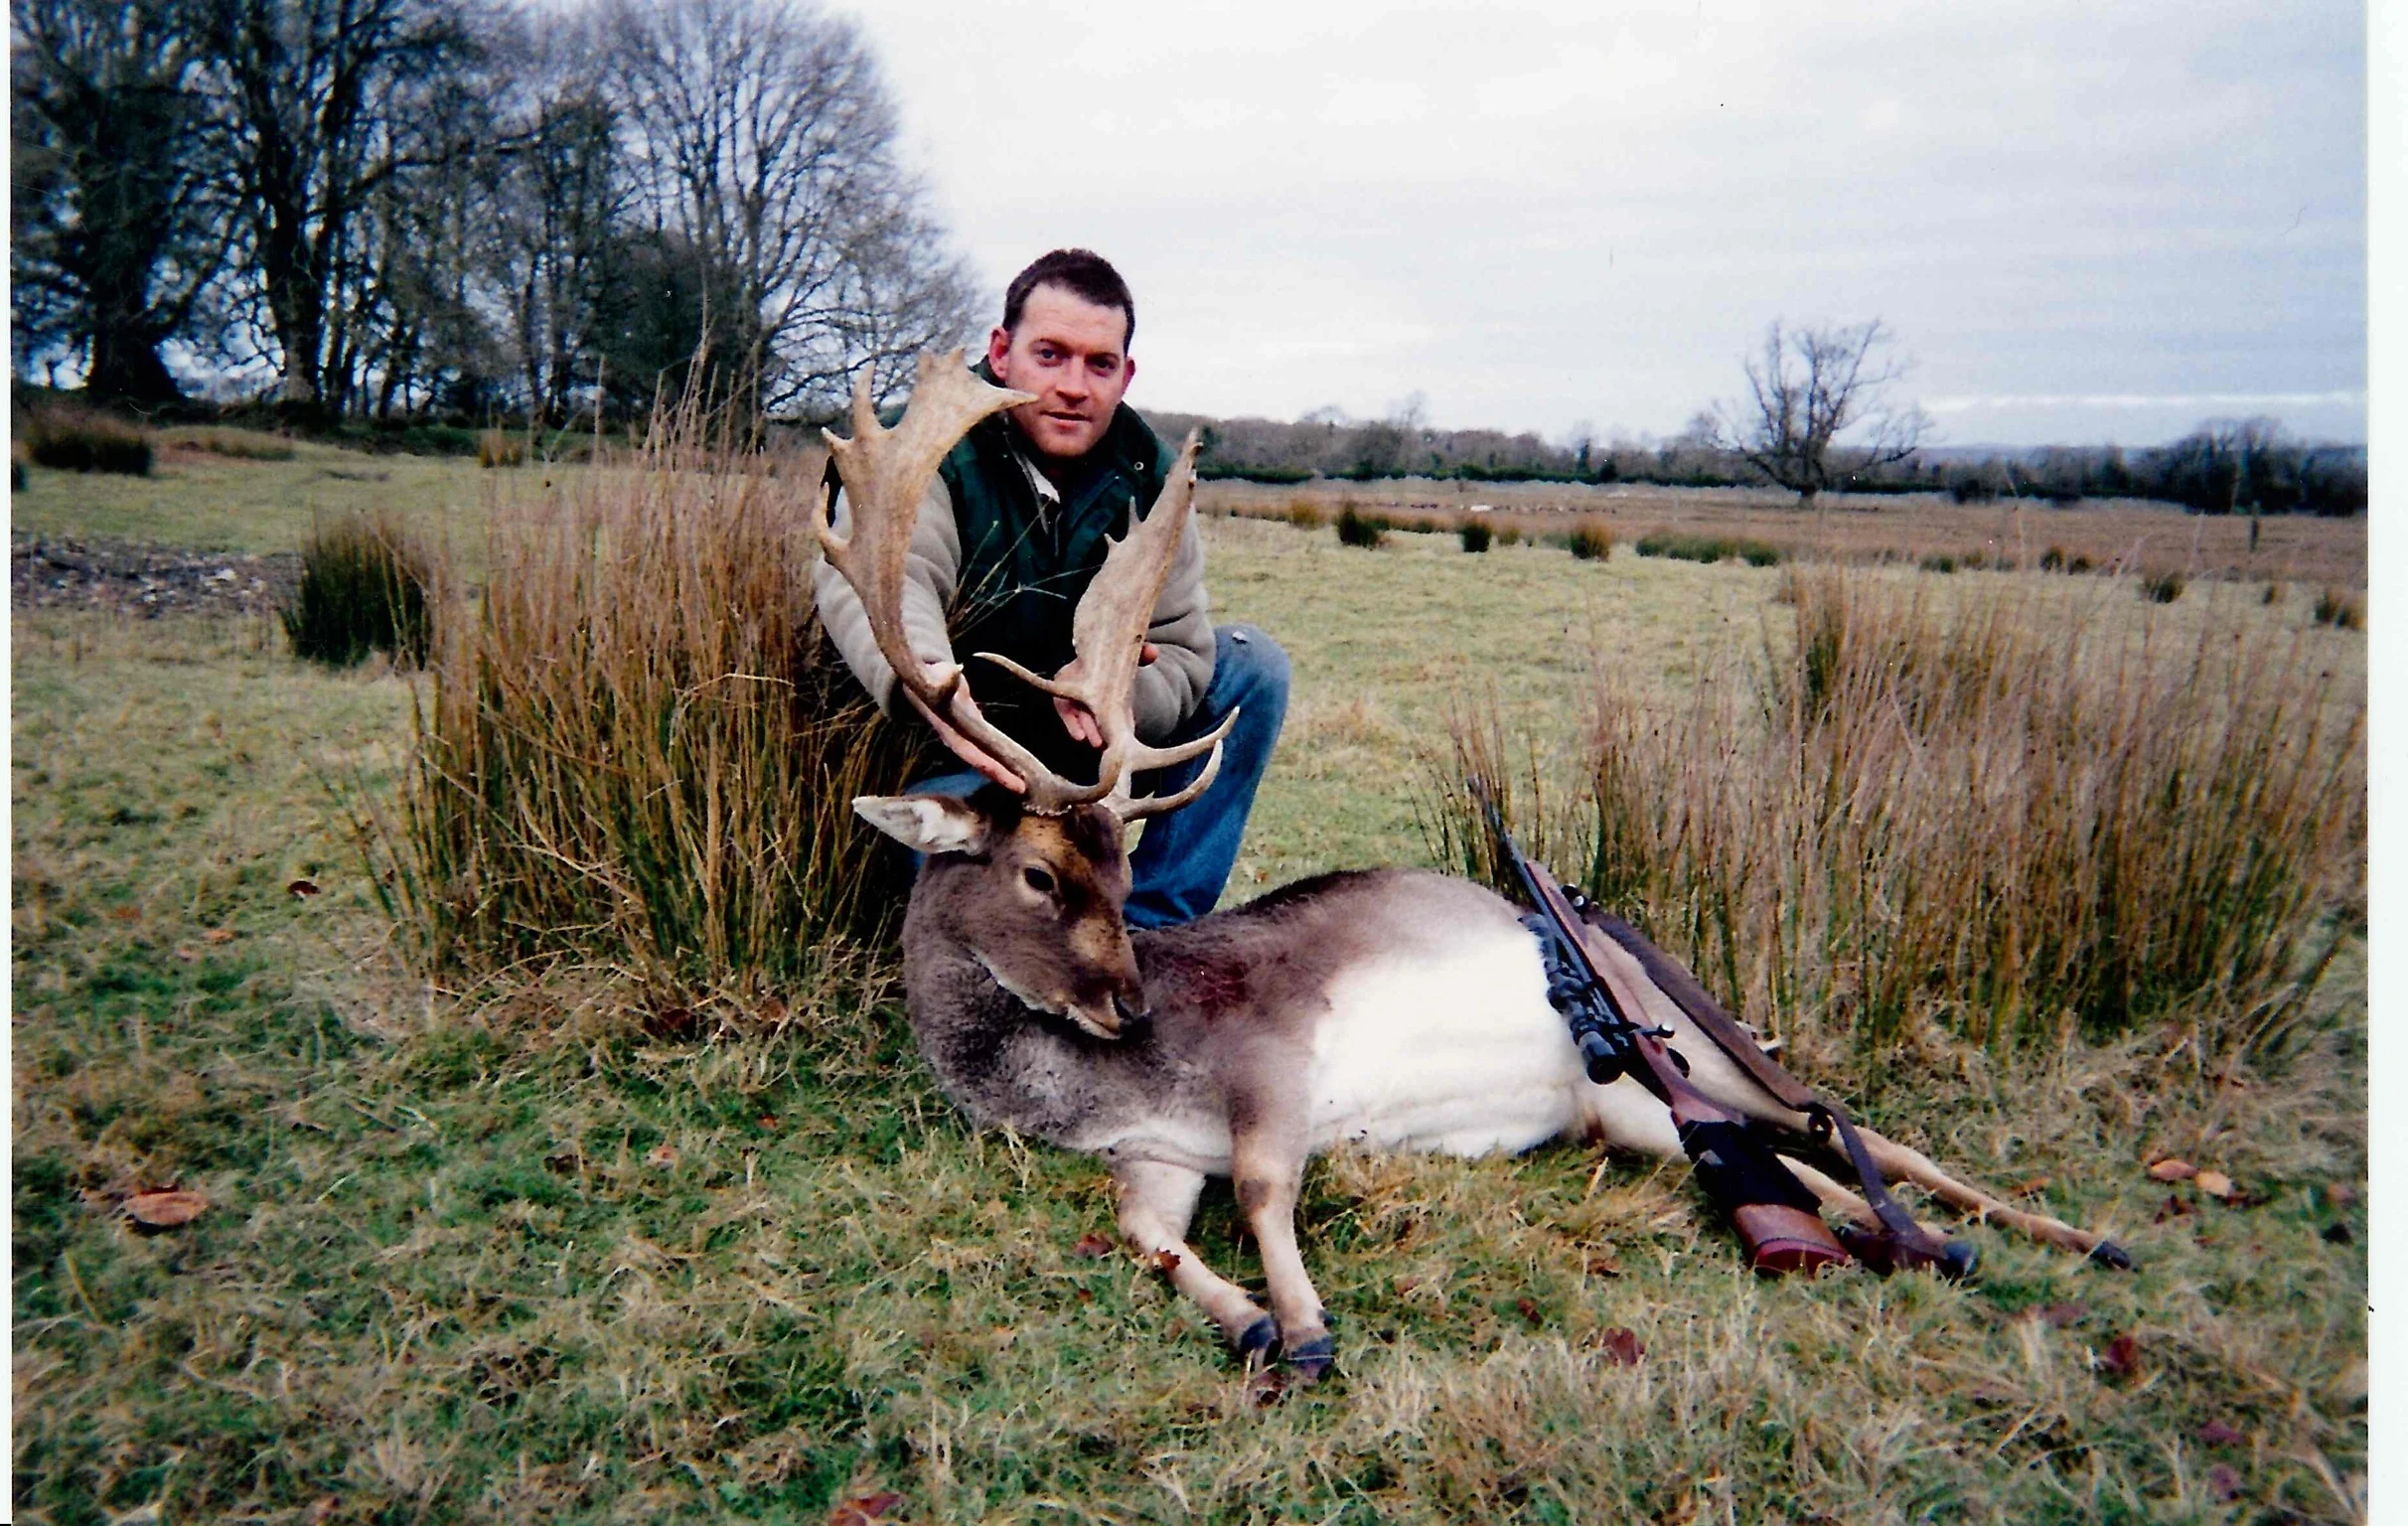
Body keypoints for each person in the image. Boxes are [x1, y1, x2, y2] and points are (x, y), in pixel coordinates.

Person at [815, 248, 1288, 928]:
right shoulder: (926, 450)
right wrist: (929, 679)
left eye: (1099, 364)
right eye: (1050, 355)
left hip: (1093, 755)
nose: (1075, 386)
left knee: (1253, 665)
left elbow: (1182, 649)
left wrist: (1118, 687)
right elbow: (891, 581)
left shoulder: (1154, 480)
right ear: (1002, 352)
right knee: (965, 889)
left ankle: (1153, 932)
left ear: (1126, 376)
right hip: (966, 760)